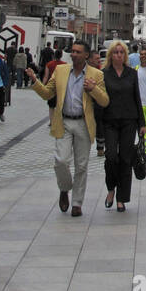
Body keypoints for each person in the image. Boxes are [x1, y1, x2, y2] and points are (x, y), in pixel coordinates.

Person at [27, 39, 108, 218]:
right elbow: (48, 93)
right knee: (61, 161)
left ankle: (77, 203)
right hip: (64, 121)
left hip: (83, 124)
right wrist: (35, 80)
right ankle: (64, 188)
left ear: (86, 55)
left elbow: (104, 101)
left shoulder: (96, 74)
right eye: (73, 51)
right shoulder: (61, 71)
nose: (74, 54)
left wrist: (93, 89)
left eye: (78, 52)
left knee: (81, 166)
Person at [100, 40, 144, 212]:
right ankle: (111, 188)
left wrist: (142, 123)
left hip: (129, 120)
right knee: (111, 156)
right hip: (110, 120)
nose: (119, 55)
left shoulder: (131, 74)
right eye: (116, 52)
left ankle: (121, 198)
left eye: (121, 52)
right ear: (111, 55)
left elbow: (137, 98)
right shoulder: (104, 74)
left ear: (125, 55)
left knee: (126, 159)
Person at [89, 47, 108, 157]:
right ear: (90, 59)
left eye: (99, 58)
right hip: (88, 103)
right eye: (96, 58)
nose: (99, 60)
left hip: (98, 103)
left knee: (100, 125)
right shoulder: (85, 71)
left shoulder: (101, 72)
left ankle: (100, 147)